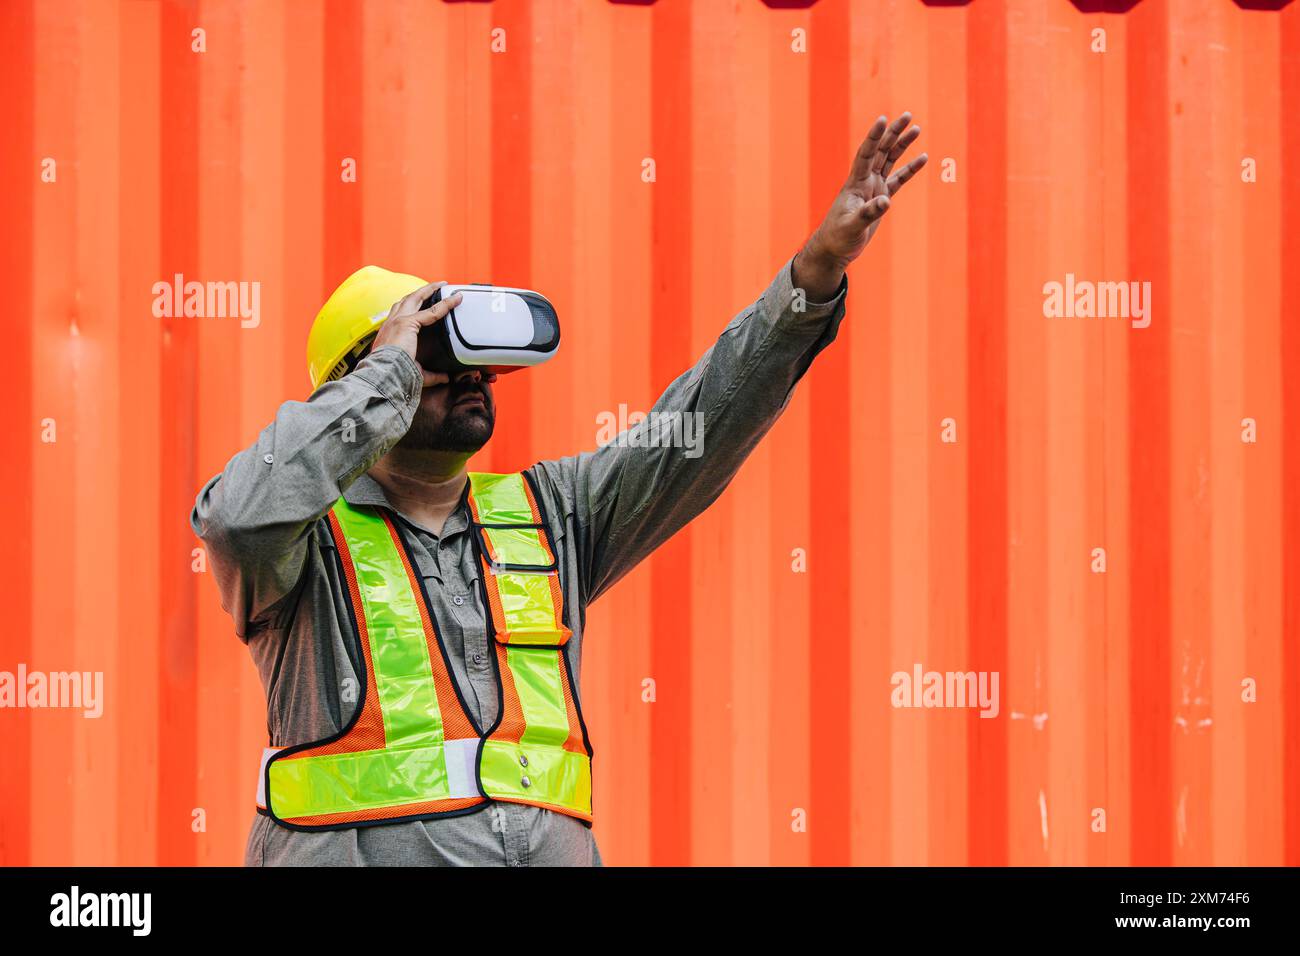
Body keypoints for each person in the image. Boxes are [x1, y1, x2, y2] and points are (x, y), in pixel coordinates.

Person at [192, 113, 926, 866]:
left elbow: (701, 423)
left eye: (479, 358)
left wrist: (814, 274)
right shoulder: (301, 544)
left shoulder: (551, 513)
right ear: (369, 378)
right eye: (441, 352)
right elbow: (234, 520)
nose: (475, 373)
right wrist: (388, 378)